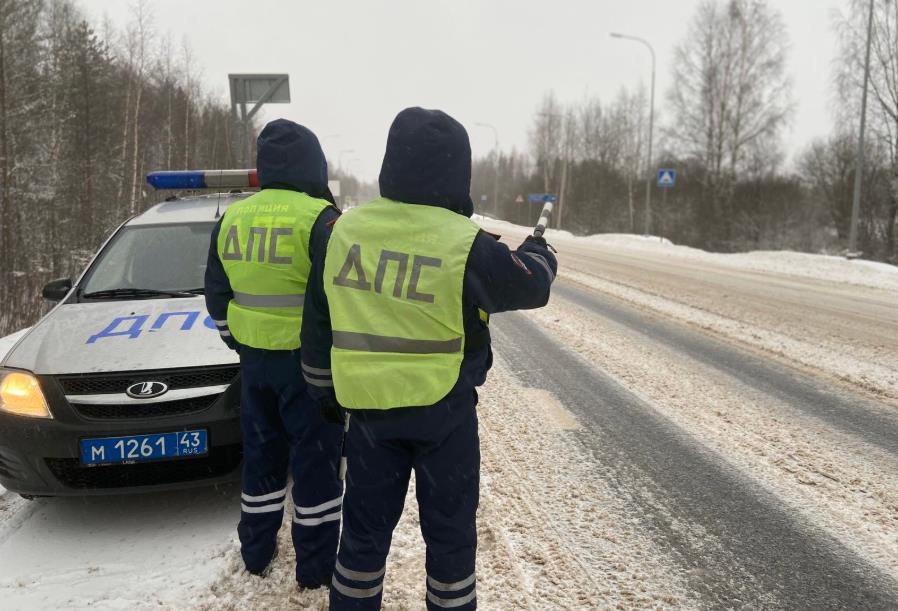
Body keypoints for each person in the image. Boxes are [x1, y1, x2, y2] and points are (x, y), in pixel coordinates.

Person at [300, 107, 557, 610]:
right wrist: (540, 251)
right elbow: (531, 284)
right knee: (451, 544)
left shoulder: (341, 233)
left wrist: (324, 396)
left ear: (391, 164)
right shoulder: (464, 243)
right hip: (446, 419)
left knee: (362, 543)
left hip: (370, 418)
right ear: (457, 172)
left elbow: (317, 328)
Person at [204, 118, 344, 588]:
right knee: (315, 465)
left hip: (255, 365)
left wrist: (239, 340)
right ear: (313, 165)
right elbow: (335, 299)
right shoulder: (321, 219)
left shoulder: (231, 218)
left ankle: (257, 553)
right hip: (309, 369)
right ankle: (315, 567)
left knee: (262, 457)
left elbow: (217, 295)